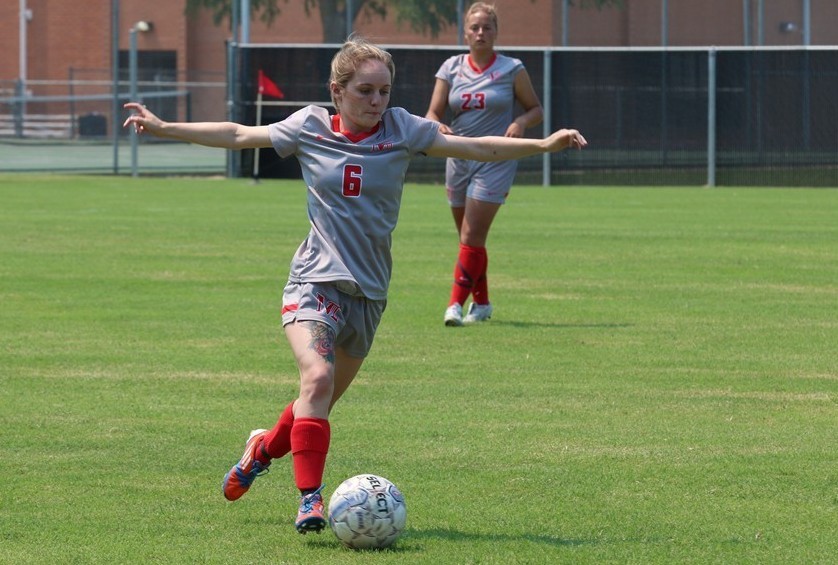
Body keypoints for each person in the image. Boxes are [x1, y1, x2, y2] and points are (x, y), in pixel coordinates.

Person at [123, 36, 586, 535]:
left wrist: (541, 145)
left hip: (370, 293)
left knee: (314, 401)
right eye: (365, 90)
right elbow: (238, 133)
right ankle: (310, 501)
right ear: (337, 91)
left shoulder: (403, 129)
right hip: (314, 281)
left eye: (384, 91)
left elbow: (475, 145)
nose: (376, 101)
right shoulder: (309, 126)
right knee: (316, 380)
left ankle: (261, 451)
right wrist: (164, 127)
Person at [425, 2, 545, 326]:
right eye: (474, 27)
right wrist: (437, 125)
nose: (481, 33)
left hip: (495, 158)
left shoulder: (511, 68)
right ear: (465, 32)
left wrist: (521, 121)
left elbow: (536, 109)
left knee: (472, 235)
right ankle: (483, 304)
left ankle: (454, 306)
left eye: (487, 27)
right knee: (469, 238)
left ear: (496, 33)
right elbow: (433, 113)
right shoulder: (450, 67)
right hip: (458, 156)